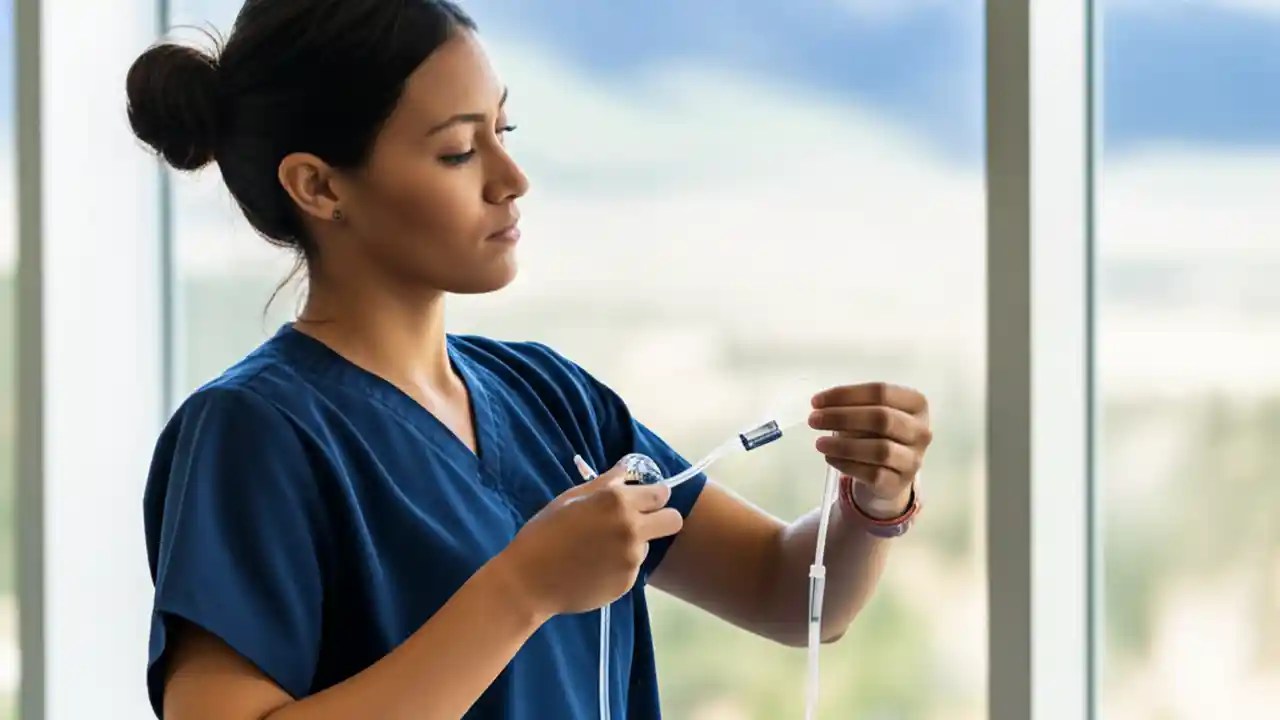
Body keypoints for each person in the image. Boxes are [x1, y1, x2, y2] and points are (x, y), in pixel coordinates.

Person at [126, 1, 934, 718]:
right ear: (319, 186)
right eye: (456, 152)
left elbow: (788, 594)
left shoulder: (548, 396)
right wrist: (522, 589)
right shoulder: (254, 433)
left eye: (502, 133)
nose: (512, 180)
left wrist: (871, 501)